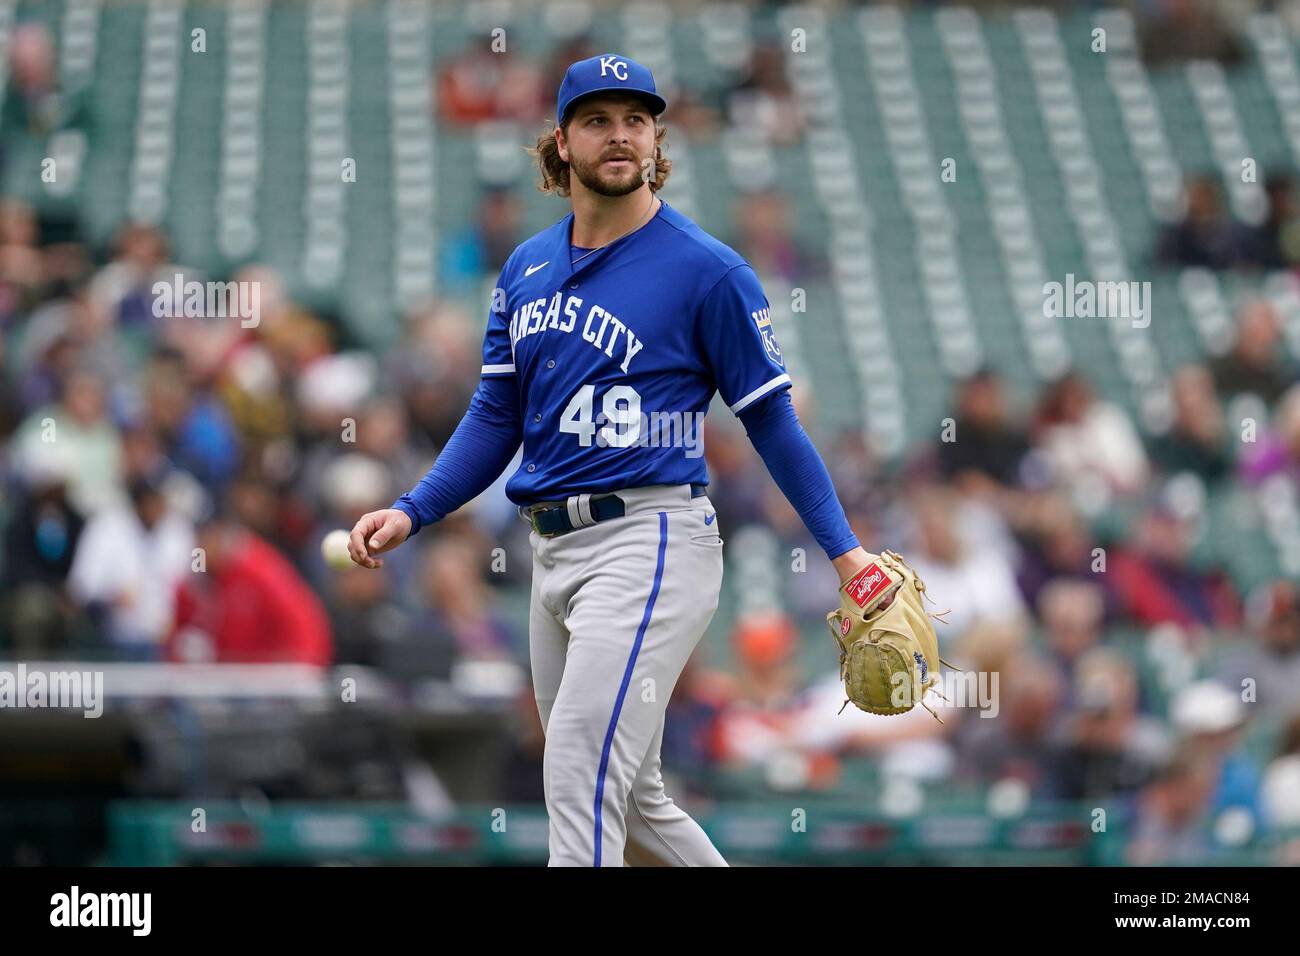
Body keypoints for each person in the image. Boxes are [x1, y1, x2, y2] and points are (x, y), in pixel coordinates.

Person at [347, 54, 880, 867]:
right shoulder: (525, 270)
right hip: (551, 551)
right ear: (561, 142)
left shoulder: (708, 271)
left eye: (636, 119)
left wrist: (845, 552)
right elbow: (496, 415)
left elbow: (771, 418)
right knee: (629, 801)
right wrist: (414, 508)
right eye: (598, 120)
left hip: (650, 539)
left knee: (577, 773)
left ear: (657, 136)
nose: (621, 134)